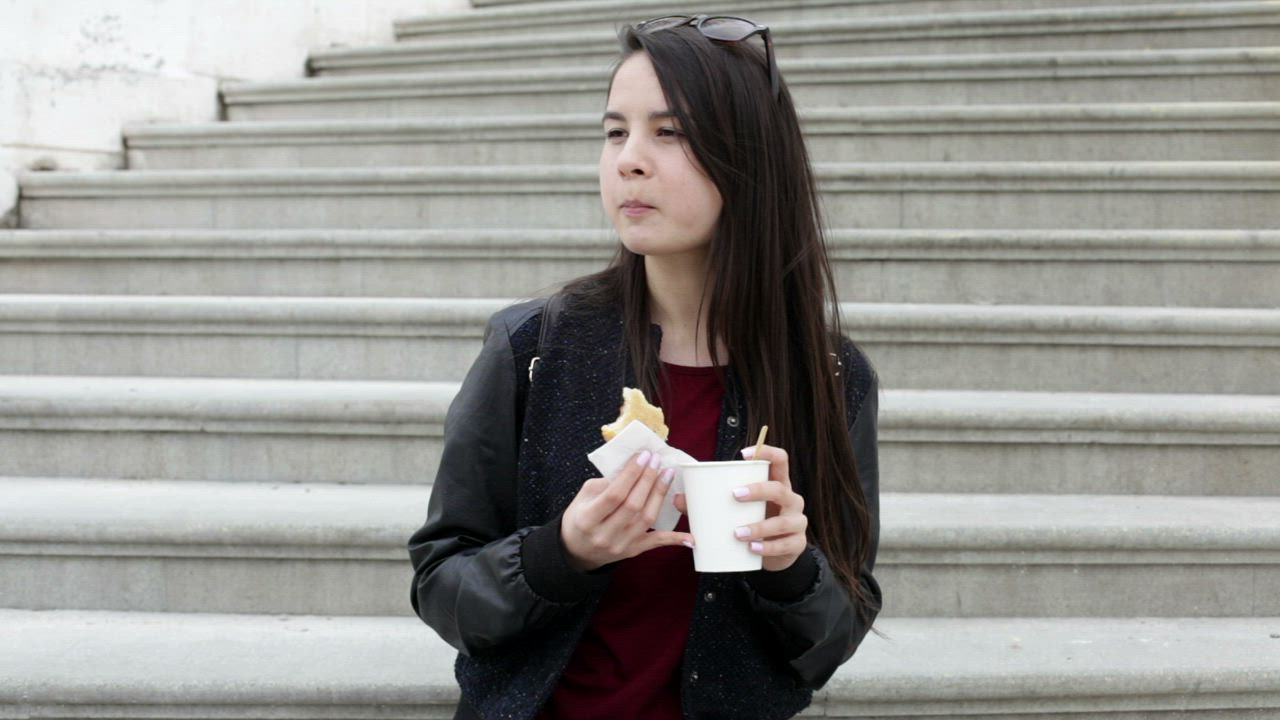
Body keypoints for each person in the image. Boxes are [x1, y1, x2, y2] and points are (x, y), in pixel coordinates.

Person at [408, 14, 882, 720]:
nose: (629, 159)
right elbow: (442, 585)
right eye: (614, 132)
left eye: (670, 132)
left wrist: (792, 570)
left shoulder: (829, 375)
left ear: (749, 158)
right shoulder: (533, 349)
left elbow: (838, 630)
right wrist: (560, 553)